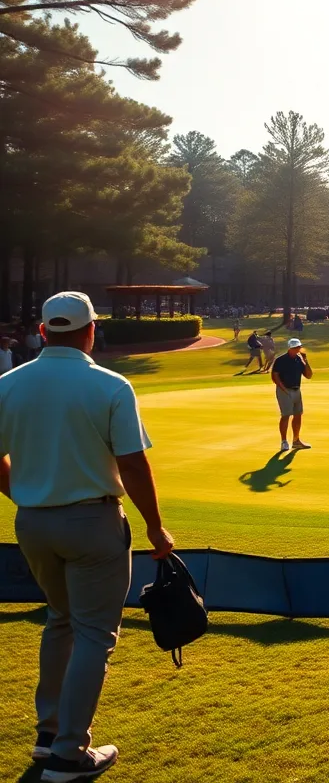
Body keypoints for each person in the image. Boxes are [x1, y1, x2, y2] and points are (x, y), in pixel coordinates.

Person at [0, 292, 174, 780]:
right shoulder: (110, 385)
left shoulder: (8, 384)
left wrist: (26, 493)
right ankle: (68, 755)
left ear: (42, 330)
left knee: (61, 621)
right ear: (91, 330)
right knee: (95, 634)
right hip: (93, 523)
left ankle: (48, 735)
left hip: (33, 522)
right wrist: (155, 526)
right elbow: (132, 463)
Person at [271, 338, 313, 452]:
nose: (298, 349)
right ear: (290, 348)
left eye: (299, 347)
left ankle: (296, 441)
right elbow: (275, 376)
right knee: (286, 415)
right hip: (284, 390)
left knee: (298, 414)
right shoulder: (281, 360)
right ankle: (284, 441)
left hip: (296, 390)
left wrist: (305, 361)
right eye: (296, 347)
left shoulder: (299, 360)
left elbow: (309, 375)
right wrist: (283, 389)